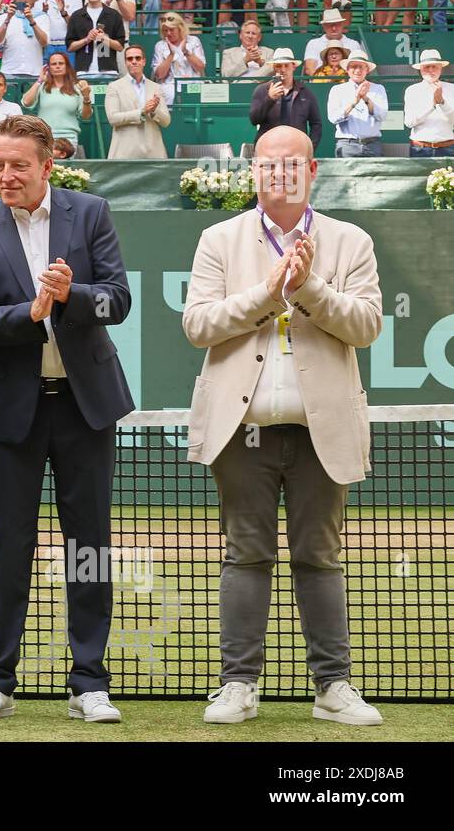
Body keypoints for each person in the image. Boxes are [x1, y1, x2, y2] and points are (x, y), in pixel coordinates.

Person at [182, 124, 384, 728]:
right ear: (254, 171)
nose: (279, 174)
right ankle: (239, 684)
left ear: (311, 170)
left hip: (323, 432)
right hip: (242, 432)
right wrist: (270, 294)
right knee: (246, 553)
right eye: (268, 164)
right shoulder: (219, 239)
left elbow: (366, 325)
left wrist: (310, 288)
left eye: (291, 164)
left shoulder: (350, 241)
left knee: (320, 556)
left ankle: (333, 687)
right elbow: (199, 325)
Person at [0, 113, 134, 725]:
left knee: (90, 547)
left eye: (18, 166)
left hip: (85, 409)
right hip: (13, 412)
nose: (5, 176)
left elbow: (118, 300)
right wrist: (30, 313)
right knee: (9, 546)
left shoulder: (90, 213)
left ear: (47, 165)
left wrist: (71, 296)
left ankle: (89, 681)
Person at [105, 43, 170, 158]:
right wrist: (141, 112)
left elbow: (166, 121)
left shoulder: (156, 87)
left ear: (144, 61)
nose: (134, 61)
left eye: (138, 58)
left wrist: (154, 111)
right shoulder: (114, 87)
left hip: (153, 152)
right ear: (125, 62)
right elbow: (112, 118)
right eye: (130, 59)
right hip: (124, 152)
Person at [250, 46, 324, 147]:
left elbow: (316, 124)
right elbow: (254, 120)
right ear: (273, 67)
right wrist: (270, 99)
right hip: (269, 149)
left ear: (294, 66)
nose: (283, 70)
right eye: (279, 66)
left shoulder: (306, 93)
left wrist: (310, 148)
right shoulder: (262, 90)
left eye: (286, 65)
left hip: (295, 149)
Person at [22, 52, 92, 145]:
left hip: (69, 138)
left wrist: (86, 97)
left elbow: (85, 116)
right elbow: (26, 102)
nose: (58, 66)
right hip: (45, 137)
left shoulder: (77, 87)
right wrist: (40, 80)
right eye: (54, 64)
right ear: (48, 68)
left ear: (67, 66)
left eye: (61, 63)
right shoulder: (42, 86)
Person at [327, 51, 387, 157]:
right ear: (347, 69)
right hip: (347, 145)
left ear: (367, 70)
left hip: (371, 144)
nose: (358, 70)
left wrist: (366, 99)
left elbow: (382, 116)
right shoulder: (337, 90)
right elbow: (333, 118)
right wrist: (354, 101)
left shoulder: (378, 89)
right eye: (354, 66)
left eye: (361, 67)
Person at [66, 0, 126, 80]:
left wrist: (104, 39)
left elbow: (120, 46)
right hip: (83, 72)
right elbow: (70, 47)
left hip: (108, 71)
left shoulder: (114, 15)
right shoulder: (76, 16)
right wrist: (87, 39)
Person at [0, 0, 49, 87]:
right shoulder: (4, 17)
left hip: (34, 72)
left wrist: (32, 20)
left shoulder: (42, 17)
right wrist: (8, 18)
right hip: (9, 71)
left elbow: (44, 42)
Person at [403, 48, 454, 156]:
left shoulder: (452, 89)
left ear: (441, 68)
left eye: (434, 66)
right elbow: (409, 122)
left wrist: (442, 102)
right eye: (427, 67)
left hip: (448, 147)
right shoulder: (412, 90)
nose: (431, 70)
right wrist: (433, 104)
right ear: (420, 69)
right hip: (420, 148)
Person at [150, 12, 205, 105]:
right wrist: (171, 55)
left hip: (192, 83)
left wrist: (186, 52)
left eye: (171, 30)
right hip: (169, 85)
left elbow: (200, 67)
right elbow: (159, 75)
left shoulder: (193, 41)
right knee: (167, 94)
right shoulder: (160, 45)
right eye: (165, 30)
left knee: (198, 94)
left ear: (180, 28)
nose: (168, 33)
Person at [301, 7, 361, 77]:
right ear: (323, 26)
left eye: (337, 24)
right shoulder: (313, 43)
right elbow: (309, 69)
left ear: (342, 24)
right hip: (319, 84)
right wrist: (326, 80)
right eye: (330, 25)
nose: (334, 28)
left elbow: (359, 67)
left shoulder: (353, 44)